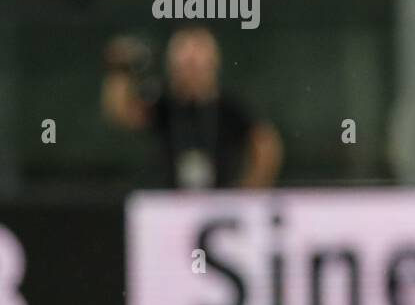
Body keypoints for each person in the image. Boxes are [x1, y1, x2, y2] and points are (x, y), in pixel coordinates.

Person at [101, 25, 283, 189]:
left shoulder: (231, 106)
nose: (190, 72)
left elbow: (266, 144)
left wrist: (252, 188)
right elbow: (122, 114)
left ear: (212, 65)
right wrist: (119, 71)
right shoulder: (161, 102)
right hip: (169, 201)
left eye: (196, 65)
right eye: (184, 65)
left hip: (223, 200)